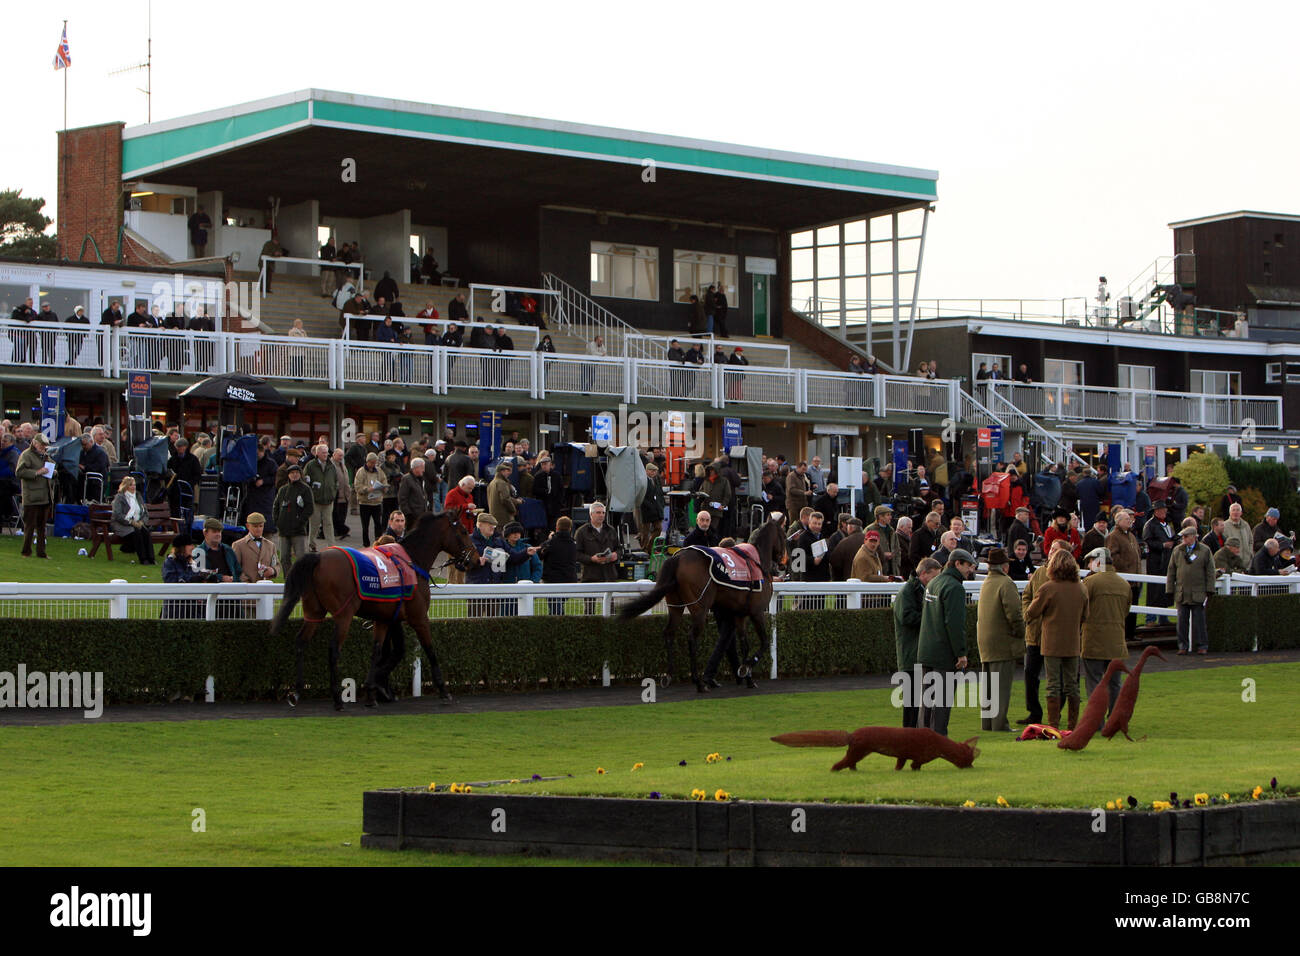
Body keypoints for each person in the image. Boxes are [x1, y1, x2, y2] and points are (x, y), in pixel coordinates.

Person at [1024, 548, 1088, 730]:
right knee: (1072, 685)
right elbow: (1086, 615)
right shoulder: (1081, 588)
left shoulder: (1048, 588)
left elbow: (1031, 613)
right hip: (1073, 642)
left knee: (1053, 684)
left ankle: (1053, 725)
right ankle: (1072, 725)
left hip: (1051, 643)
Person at [916, 550, 976, 737]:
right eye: (968, 565)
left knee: (926, 701)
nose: (970, 570)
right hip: (943, 653)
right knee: (942, 701)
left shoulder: (933, 582)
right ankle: (938, 739)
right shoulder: (955, 587)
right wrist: (961, 652)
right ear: (957, 564)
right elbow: (954, 624)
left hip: (926, 650)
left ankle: (922, 738)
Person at [977, 548, 1024, 733]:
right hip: (1003, 642)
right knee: (1001, 688)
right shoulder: (1006, 583)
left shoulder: (987, 582)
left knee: (988, 687)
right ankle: (999, 725)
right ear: (1004, 566)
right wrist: (1021, 632)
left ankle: (987, 724)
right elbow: (1014, 613)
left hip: (986, 641)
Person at [891, 557, 941, 728]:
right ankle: (908, 737)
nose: (936, 581)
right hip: (910, 656)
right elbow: (906, 617)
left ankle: (916, 735)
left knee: (920, 701)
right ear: (924, 574)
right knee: (911, 703)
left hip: (918, 654)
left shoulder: (920, 590)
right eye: (934, 576)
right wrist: (931, 617)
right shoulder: (907, 592)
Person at [1080, 547, 1131, 717]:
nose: (1088, 565)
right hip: (1116, 642)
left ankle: (1096, 718)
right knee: (1115, 683)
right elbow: (1126, 611)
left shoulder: (1090, 583)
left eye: (1090, 562)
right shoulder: (1124, 584)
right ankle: (1114, 718)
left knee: (1094, 682)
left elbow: (1082, 610)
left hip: (1094, 641)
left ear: (1098, 562)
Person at [1169, 524, 1215, 656]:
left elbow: (1210, 571)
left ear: (1194, 537)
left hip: (1198, 592)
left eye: (1186, 536)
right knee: (1181, 622)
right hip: (1182, 592)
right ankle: (1182, 646)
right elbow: (1171, 570)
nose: (1184, 539)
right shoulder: (1177, 550)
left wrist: (1209, 589)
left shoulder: (1205, 550)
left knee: (1199, 622)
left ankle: (1202, 645)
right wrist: (1170, 589)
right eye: (1183, 537)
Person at [161, 534, 222, 619]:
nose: (193, 547)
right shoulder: (170, 562)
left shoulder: (192, 562)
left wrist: (207, 578)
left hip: (193, 610)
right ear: (182, 547)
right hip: (175, 610)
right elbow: (171, 581)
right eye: (190, 545)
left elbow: (197, 576)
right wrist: (192, 580)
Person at [575, 501, 621, 613]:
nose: (601, 515)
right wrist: (591, 559)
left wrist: (616, 555)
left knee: (611, 610)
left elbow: (619, 548)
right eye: (598, 513)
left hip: (609, 574)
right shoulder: (581, 532)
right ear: (591, 514)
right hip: (590, 575)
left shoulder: (611, 530)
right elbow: (576, 554)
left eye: (603, 513)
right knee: (589, 611)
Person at [16, 434, 54, 558]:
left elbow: (53, 467)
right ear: (35, 443)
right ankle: (26, 552)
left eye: (45, 446)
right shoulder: (26, 455)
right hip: (31, 497)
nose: (43, 448)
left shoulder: (45, 456)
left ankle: (41, 553)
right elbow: (19, 472)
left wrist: (53, 471)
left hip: (45, 496)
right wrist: (37, 472)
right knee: (29, 527)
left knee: (42, 528)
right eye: (42, 445)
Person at [273, 462, 313, 569]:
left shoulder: (305, 489)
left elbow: (309, 508)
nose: (294, 475)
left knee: (301, 559)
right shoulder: (283, 490)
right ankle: (288, 581)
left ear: (300, 474)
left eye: (296, 472)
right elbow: (276, 507)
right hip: (283, 530)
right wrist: (278, 522)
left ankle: (301, 582)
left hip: (298, 531)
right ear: (288, 475)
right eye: (291, 473)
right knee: (284, 558)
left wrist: (300, 521)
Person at [110, 475, 154, 564]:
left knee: (146, 533)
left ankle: (151, 558)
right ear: (125, 486)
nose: (133, 487)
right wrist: (131, 522)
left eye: (134, 485)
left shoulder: (138, 496)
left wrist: (142, 522)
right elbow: (118, 515)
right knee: (136, 533)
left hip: (138, 524)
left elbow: (145, 513)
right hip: (122, 525)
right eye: (131, 485)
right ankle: (143, 559)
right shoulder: (119, 497)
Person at [302, 444, 337, 550]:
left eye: (327, 452)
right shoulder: (310, 465)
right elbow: (305, 481)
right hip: (315, 500)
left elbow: (335, 481)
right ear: (317, 453)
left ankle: (331, 545)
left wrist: (333, 493)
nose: (326, 454)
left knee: (328, 523)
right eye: (323, 452)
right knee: (314, 524)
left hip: (328, 500)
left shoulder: (331, 465)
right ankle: (311, 544)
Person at [1142, 500, 1175, 607]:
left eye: (1165, 509)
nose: (1165, 511)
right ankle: (1150, 618)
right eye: (1162, 509)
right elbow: (1147, 541)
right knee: (1154, 589)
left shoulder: (1167, 524)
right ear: (1156, 511)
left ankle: (1163, 617)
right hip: (1156, 561)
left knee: (1165, 588)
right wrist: (1162, 545)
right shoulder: (1150, 525)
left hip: (1166, 559)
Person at [233, 512, 280, 583]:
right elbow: (235, 568)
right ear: (248, 526)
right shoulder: (239, 545)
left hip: (265, 587)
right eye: (255, 526)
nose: (258, 529)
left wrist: (273, 570)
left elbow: (277, 565)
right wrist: (246, 581)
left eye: (261, 526)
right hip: (247, 587)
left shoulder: (270, 545)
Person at [194, 517, 240, 584]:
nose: (218, 534)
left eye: (219, 531)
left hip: (231, 589)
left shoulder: (228, 549)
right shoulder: (198, 552)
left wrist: (234, 579)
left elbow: (238, 570)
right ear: (205, 533)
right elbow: (200, 574)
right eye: (214, 532)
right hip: (210, 590)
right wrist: (221, 578)